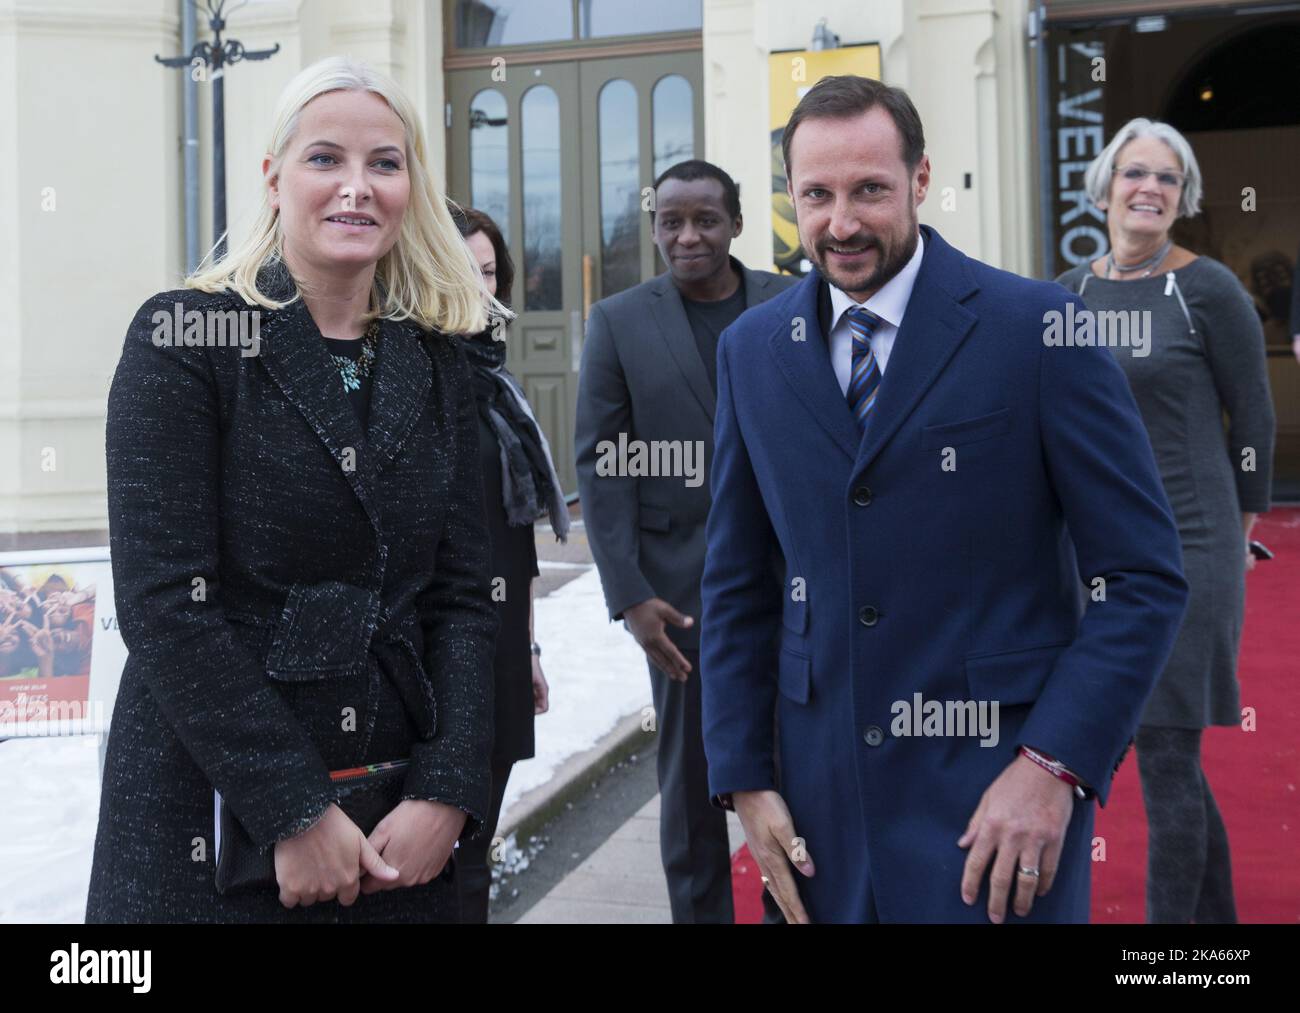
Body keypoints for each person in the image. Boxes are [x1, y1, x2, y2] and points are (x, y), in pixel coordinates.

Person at [700, 75, 1190, 924]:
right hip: (819, 814)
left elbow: (1143, 578)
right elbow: (737, 583)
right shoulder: (750, 350)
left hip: (996, 814)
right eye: (816, 194)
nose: (841, 223)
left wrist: (1054, 767)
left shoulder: (1040, 328)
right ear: (789, 194)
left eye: (870, 191)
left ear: (922, 180)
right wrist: (743, 778)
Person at [87, 56, 503, 923]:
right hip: (209, 807)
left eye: (384, 164)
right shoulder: (186, 338)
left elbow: (467, 597)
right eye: (326, 159)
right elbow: (166, 603)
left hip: (398, 828)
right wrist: (291, 806)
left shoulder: (437, 359)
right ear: (274, 178)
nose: (357, 188)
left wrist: (449, 790)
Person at [1056, 118, 1275, 924]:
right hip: (1104, 552)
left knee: (1168, 749)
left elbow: (1253, 424)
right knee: (1161, 746)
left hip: (1196, 545)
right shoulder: (1070, 293)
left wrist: (1241, 532)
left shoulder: (1208, 288)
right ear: (1106, 186)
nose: (1149, 188)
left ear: (1182, 199)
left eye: (1168, 179)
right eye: (1135, 173)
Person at [575, 159, 797, 923]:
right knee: (694, 786)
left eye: (705, 218)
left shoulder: (798, 300)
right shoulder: (619, 320)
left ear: (737, 222)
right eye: (671, 221)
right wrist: (630, 593)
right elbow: (601, 464)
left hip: (796, 582)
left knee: (797, 774)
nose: (688, 234)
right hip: (681, 598)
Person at [447, 203, 568, 922]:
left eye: (489, 273)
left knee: (473, 854)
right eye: (461, 272)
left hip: (497, 649)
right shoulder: (410, 383)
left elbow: (515, 540)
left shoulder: (498, 387)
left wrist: (528, 648)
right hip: (434, 665)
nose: (479, 290)